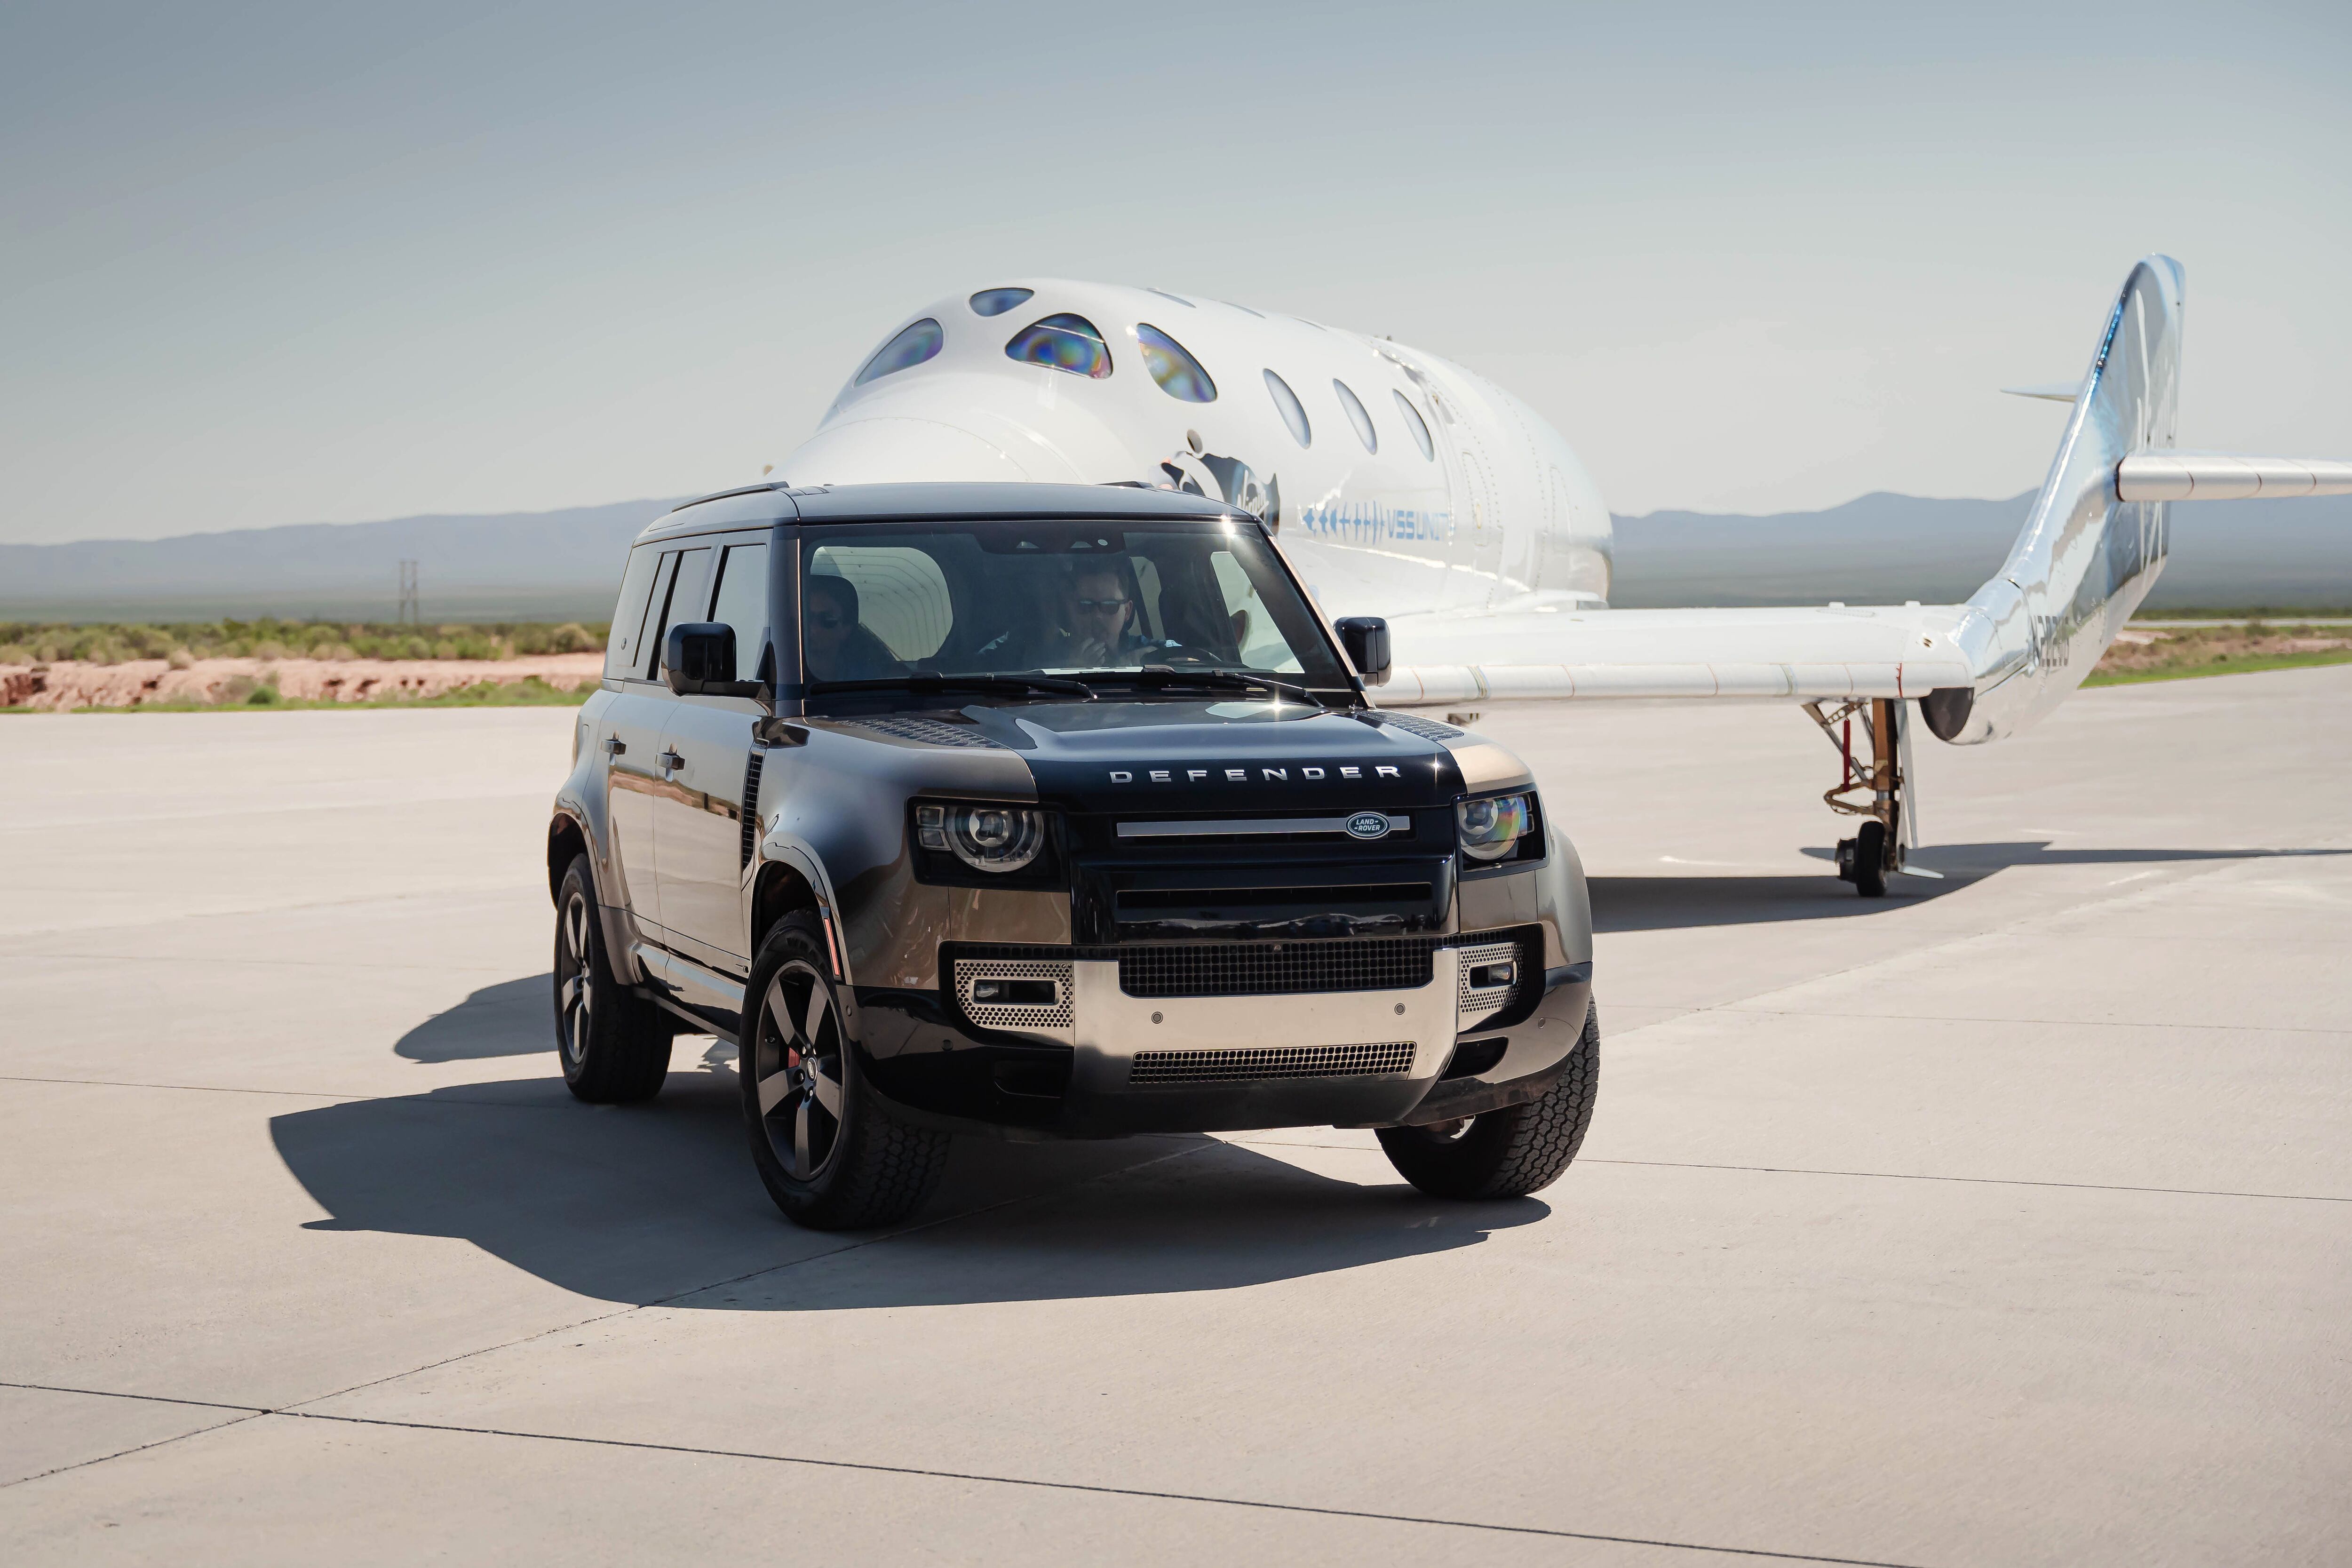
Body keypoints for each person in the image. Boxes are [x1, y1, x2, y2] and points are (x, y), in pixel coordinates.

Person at [802, 574, 902, 681]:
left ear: (846, 629)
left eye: (827, 620)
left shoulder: (867, 679)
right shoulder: (786, 676)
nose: (814, 629)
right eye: (808, 618)